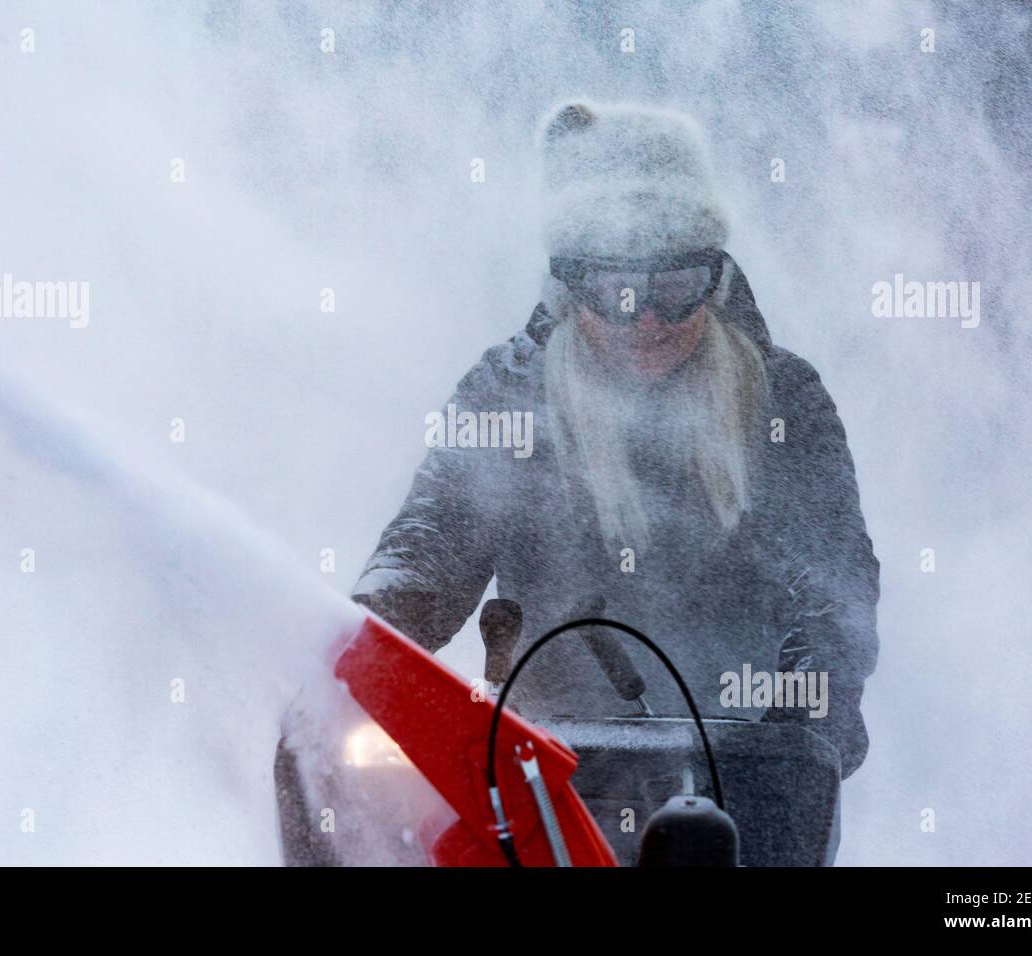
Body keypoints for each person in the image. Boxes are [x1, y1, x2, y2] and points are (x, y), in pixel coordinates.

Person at [352, 99, 880, 782]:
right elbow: (429, 547)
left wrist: (802, 727)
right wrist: (364, 654)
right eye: (616, 290)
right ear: (570, 286)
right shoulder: (510, 394)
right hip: (547, 780)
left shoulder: (783, 400)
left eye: (676, 285)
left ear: (714, 277)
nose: (647, 319)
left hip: (746, 772)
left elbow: (834, 589)